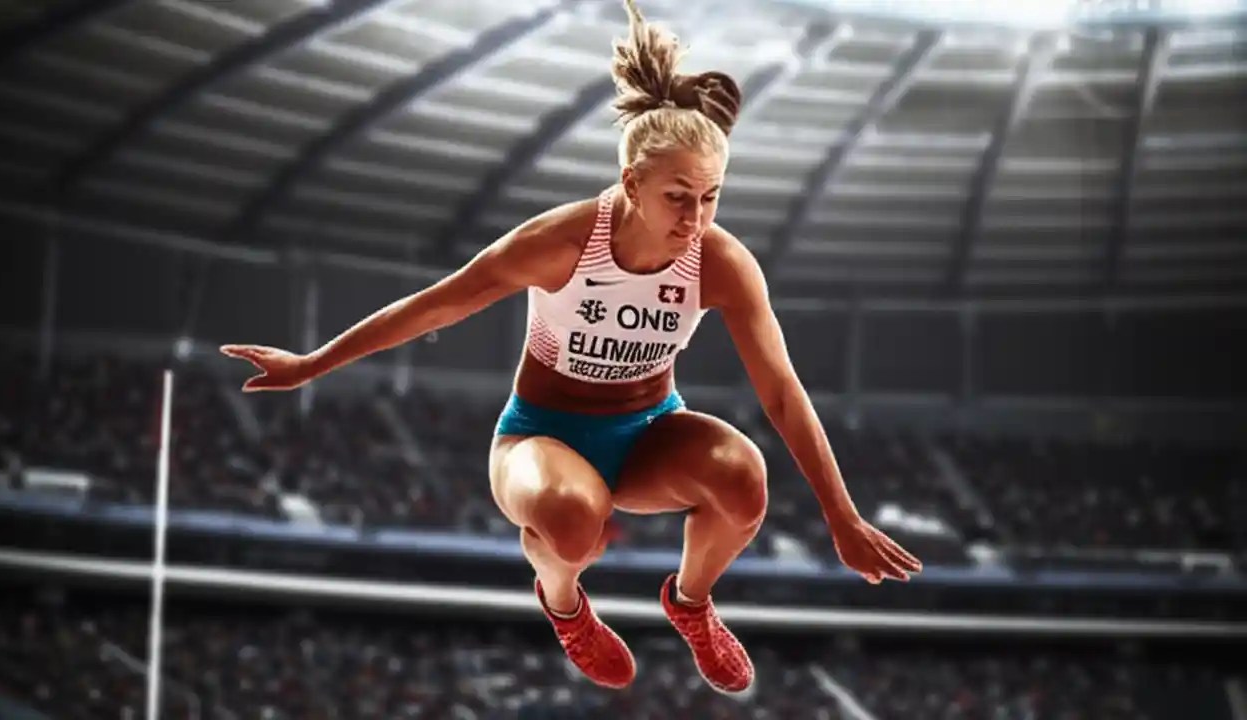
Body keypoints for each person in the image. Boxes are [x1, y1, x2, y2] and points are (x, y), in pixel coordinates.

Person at [221, 0, 922, 695]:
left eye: (712, 197)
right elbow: (435, 305)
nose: (696, 218)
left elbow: (781, 392)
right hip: (540, 438)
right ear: (632, 183)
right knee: (571, 516)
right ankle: (564, 606)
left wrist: (841, 515)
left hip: (648, 434)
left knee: (743, 477)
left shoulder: (721, 263)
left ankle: (690, 603)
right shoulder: (560, 243)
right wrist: (311, 364)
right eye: (679, 196)